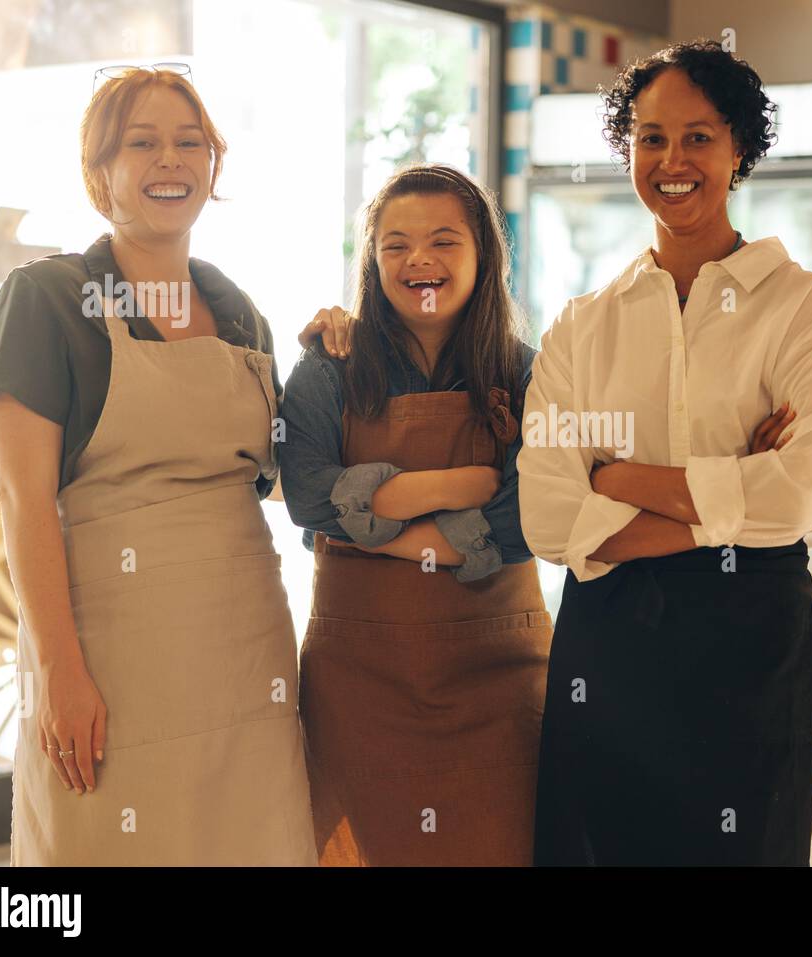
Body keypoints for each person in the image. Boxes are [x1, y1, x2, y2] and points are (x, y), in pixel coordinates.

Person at [0, 66, 343, 865]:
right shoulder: (46, 299)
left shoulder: (240, 308)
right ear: (97, 170)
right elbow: (20, 498)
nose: (170, 161)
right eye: (141, 143)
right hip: (109, 660)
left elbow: (287, 477)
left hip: (246, 653)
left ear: (213, 166)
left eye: (190, 143)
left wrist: (340, 353)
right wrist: (59, 673)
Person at [518, 40, 812, 866]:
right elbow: (551, 517)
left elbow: (798, 501)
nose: (672, 161)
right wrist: (731, 495)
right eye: (650, 138)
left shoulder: (803, 309)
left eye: (698, 137)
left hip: (752, 644)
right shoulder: (580, 325)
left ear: (740, 148)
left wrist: (623, 480)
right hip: (609, 649)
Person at [280, 164, 550, 866]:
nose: (418, 260)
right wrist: (458, 484)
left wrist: (369, 522)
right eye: (395, 243)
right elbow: (305, 495)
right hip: (359, 682)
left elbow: (526, 518)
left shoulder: (526, 373)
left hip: (497, 673)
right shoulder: (329, 364)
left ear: (483, 252)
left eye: (443, 241)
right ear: (372, 257)